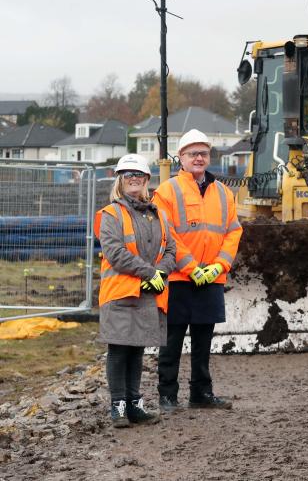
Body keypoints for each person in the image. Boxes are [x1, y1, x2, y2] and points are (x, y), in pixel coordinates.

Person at [153, 129, 243, 412]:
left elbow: (233, 231)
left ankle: (201, 393)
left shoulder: (224, 193)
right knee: (171, 341)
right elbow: (166, 234)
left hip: (212, 278)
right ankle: (167, 395)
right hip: (180, 278)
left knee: (204, 341)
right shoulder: (167, 191)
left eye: (203, 153)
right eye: (193, 153)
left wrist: (219, 265)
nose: (199, 158)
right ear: (180, 157)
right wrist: (192, 268)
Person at [95, 153, 176, 428]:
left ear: (146, 181)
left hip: (146, 294)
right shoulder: (111, 214)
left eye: (138, 175)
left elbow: (171, 249)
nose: (133, 179)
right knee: (119, 350)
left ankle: (135, 406)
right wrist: (151, 273)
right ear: (119, 180)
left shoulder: (159, 215)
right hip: (120, 294)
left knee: (137, 350)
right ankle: (118, 408)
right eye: (128, 175)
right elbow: (115, 253)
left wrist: (161, 273)